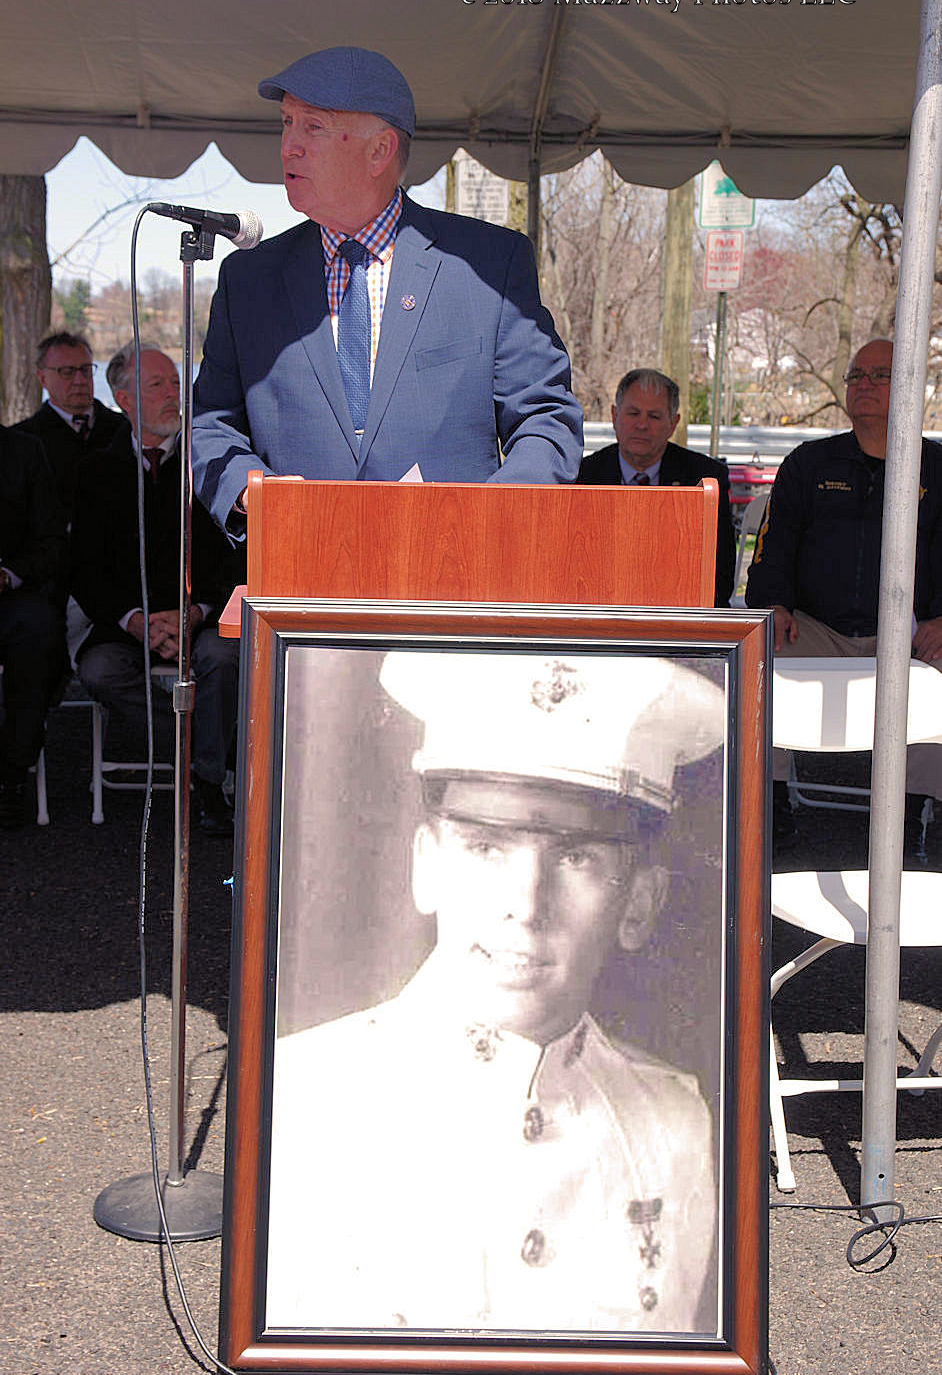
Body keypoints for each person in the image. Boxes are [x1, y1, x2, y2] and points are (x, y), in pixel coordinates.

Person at [266, 651, 723, 1334]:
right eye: (486, 848)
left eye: (577, 858)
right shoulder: (302, 1100)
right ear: (427, 868)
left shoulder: (666, 1125)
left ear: (639, 905)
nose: (525, 903)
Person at [192, 46, 583, 541]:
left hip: (452, 586)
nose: (289, 144)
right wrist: (253, 493)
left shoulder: (486, 266)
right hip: (299, 585)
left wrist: (490, 520)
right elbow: (210, 426)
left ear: (380, 151)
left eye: (313, 126)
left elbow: (546, 418)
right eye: (287, 122)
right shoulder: (247, 280)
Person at [745, 337, 942, 849]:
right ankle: (771, 803)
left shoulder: (939, 470)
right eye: (856, 377)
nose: (864, 386)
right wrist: (775, 606)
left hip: (911, 634)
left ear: (908, 387)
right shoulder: (809, 465)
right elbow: (771, 550)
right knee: (758, 653)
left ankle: (916, 813)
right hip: (817, 628)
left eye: (879, 375)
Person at [70, 343, 244, 835]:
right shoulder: (97, 470)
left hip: (201, 616)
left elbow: (231, 556)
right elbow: (83, 567)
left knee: (222, 658)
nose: (173, 395)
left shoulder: (206, 466)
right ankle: (195, 757)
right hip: (126, 624)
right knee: (99, 669)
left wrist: (194, 612)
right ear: (124, 400)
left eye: (175, 383)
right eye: (157, 385)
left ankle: (207, 784)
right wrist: (138, 621)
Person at [578, 369, 735, 606]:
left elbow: (719, 576)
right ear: (614, 415)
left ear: (673, 424)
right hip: (600, 611)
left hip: (680, 615)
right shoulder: (583, 477)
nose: (641, 425)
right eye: (633, 413)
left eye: (654, 416)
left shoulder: (705, 479)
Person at [0, 426, 67, 828]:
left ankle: (12, 773)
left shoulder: (24, 450)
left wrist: (9, 574)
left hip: (11, 595)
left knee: (40, 630)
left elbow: (52, 541)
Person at [13, 332, 125, 520]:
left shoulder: (125, 430)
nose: (79, 381)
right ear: (42, 378)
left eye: (86, 370)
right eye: (67, 372)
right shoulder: (23, 441)